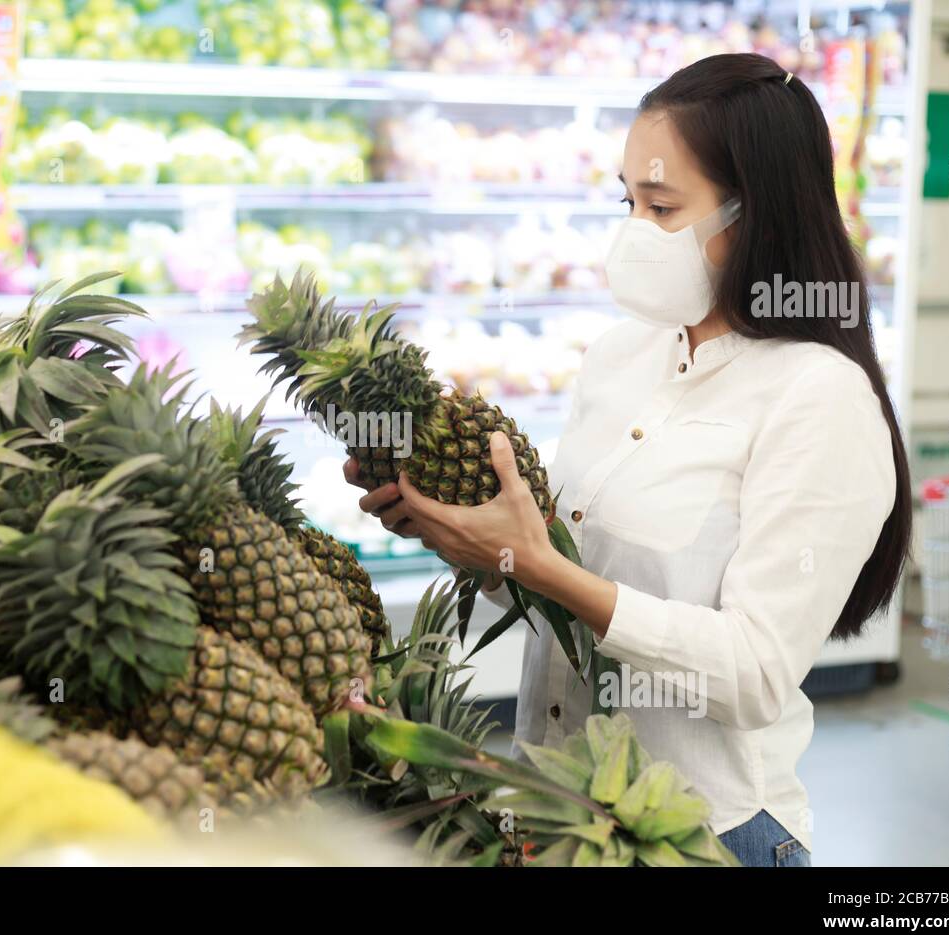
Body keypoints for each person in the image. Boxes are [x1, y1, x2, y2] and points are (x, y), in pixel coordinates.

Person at [346, 53, 912, 867]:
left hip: (705, 834)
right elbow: (566, 573)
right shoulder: (619, 356)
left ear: (757, 212)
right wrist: (466, 534)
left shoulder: (818, 398)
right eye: (627, 200)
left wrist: (546, 568)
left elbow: (756, 672)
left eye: (662, 205)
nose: (633, 230)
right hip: (554, 807)